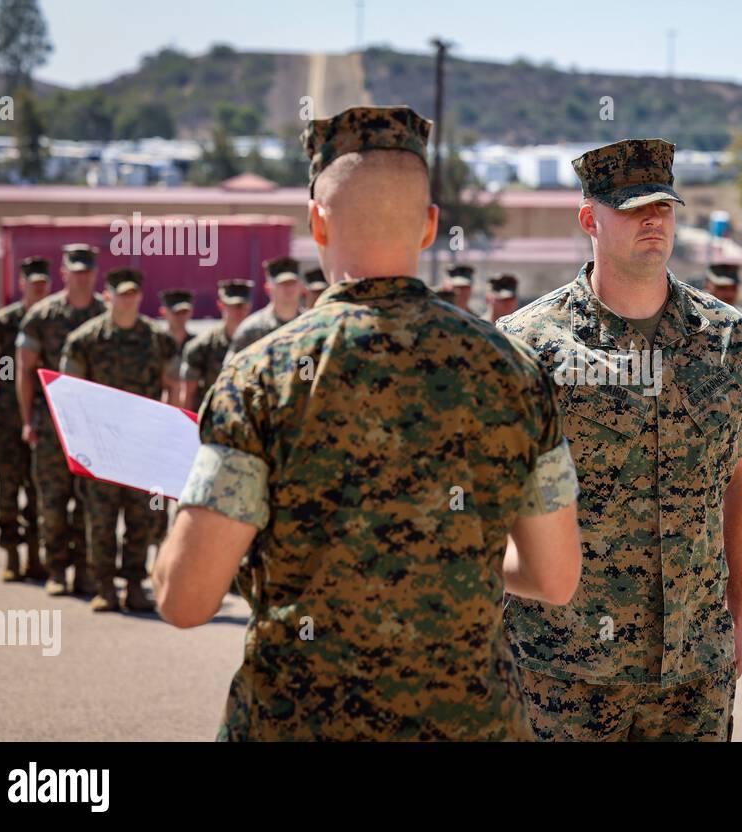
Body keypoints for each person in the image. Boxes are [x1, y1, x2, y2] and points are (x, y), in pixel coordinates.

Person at [153, 104, 581, 741]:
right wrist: (450, 556)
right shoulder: (514, 373)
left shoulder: (259, 377)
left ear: (315, 223)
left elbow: (185, 600)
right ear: (431, 225)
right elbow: (555, 577)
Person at [498, 138, 742, 741]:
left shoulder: (728, 342)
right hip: (560, 677)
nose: (653, 220)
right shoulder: (526, 345)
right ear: (590, 219)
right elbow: (487, 506)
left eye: (665, 206)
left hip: (693, 677)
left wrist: (736, 622)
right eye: (632, 207)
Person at [61, 267, 179, 612]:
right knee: (100, 519)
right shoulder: (86, 340)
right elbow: (72, 394)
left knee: (140, 518)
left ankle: (134, 585)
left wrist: (168, 431)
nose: (127, 300)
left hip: (141, 448)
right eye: (120, 293)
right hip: (101, 449)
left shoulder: (157, 339)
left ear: (140, 296)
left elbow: (174, 388)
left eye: (133, 294)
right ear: (108, 295)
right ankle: (105, 586)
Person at [16, 243, 107, 597]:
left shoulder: (105, 313)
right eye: (76, 270)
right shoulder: (42, 316)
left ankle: (85, 570)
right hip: (51, 424)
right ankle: (56, 568)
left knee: (90, 504)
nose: (82, 277)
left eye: (88, 271)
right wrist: (26, 420)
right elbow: (24, 371)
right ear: (64, 273)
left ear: (95, 273)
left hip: (93, 429)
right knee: (52, 502)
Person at [0, 256, 51, 581]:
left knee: (38, 489)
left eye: (43, 283)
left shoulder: (52, 320)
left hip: (42, 418)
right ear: (22, 283)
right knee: (9, 487)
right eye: (32, 282)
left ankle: (35, 557)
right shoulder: (4, 322)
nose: (38, 288)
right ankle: (11, 554)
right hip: (8, 419)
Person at [178, 280, 253, 412]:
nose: (238, 311)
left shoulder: (259, 343)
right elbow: (188, 395)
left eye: (242, 306)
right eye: (233, 306)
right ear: (221, 305)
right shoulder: (202, 346)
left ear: (249, 306)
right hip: (212, 420)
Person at [225, 256, 303, 357]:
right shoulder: (251, 329)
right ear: (268, 288)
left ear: (301, 286)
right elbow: (231, 369)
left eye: (292, 283)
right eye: (282, 283)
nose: (288, 288)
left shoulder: (312, 324)